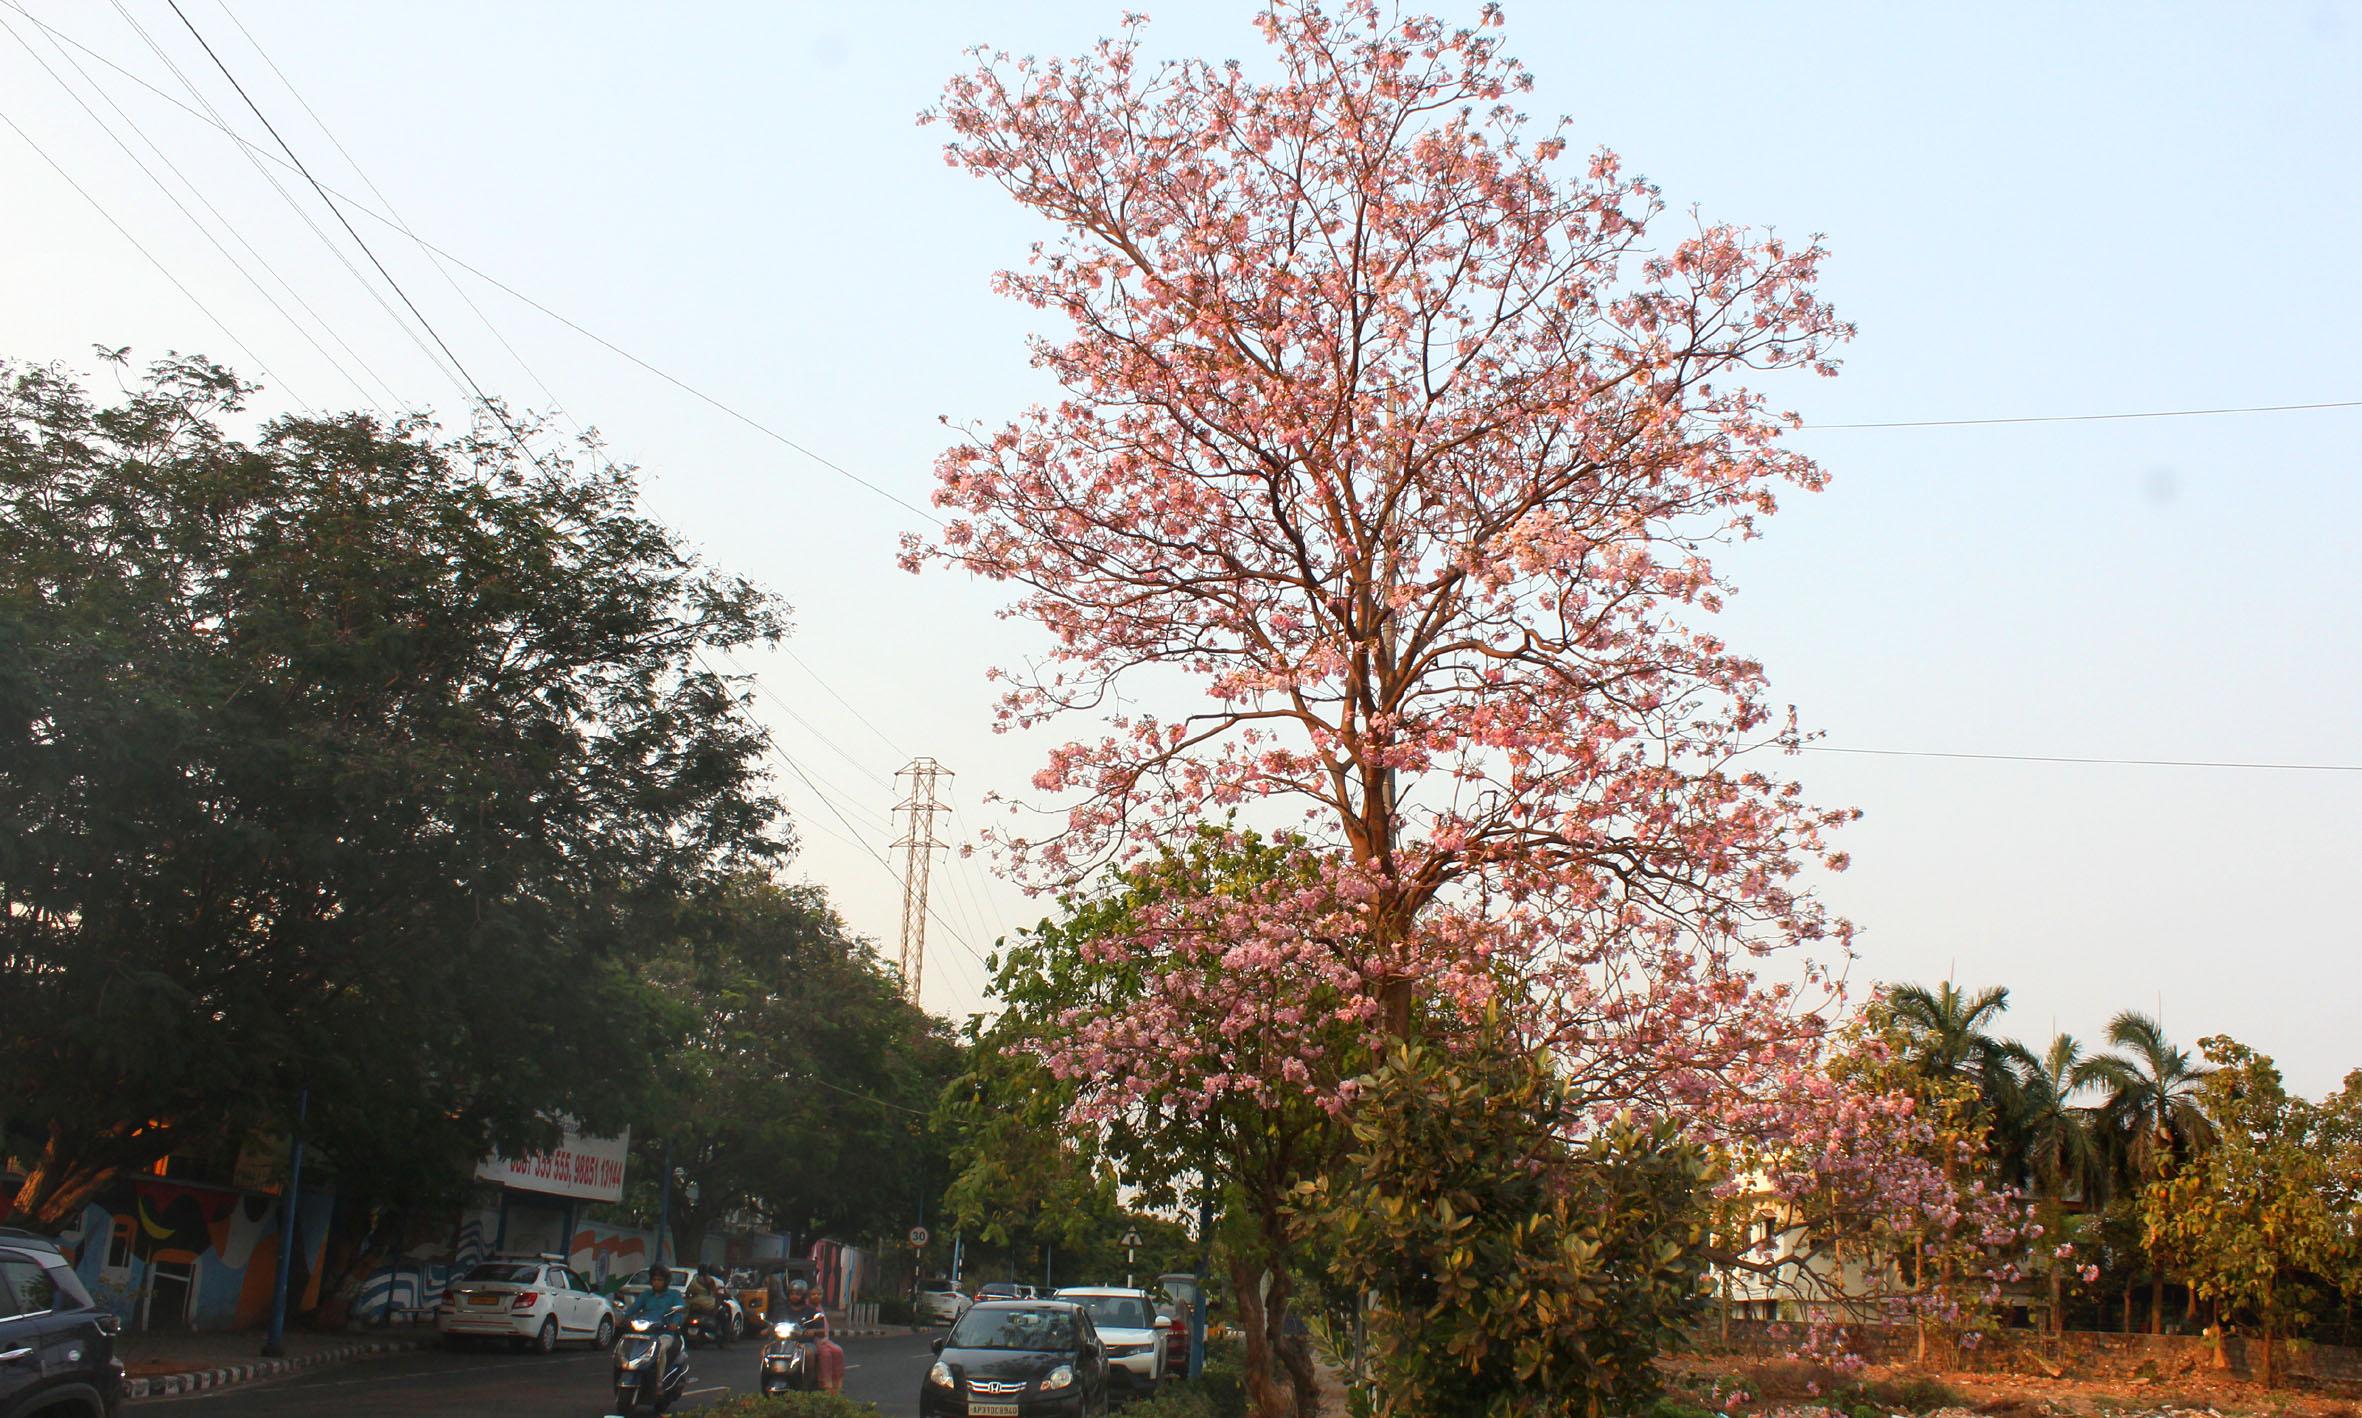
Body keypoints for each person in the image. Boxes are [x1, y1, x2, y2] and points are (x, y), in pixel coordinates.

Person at [779, 1278, 844, 1393]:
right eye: (792, 1293)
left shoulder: (810, 1310)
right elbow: (775, 1321)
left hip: (807, 1341)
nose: (795, 1296)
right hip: (786, 1341)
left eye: (798, 1294)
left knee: (836, 1351)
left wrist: (812, 1332)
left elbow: (821, 1329)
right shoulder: (783, 1309)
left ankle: (823, 1381)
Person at [621, 1265, 687, 1371]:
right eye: (654, 1279)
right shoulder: (646, 1295)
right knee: (624, 1348)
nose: (656, 1282)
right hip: (645, 1333)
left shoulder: (674, 1295)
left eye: (660, 1280)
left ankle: (658, 1381)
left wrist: (674, 1323)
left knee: (660, 1350)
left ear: (666, 1281)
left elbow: (678, 1312)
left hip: (664, 1333)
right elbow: (634, 1308)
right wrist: (624, 1317)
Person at [685, 1263, 727, 1345]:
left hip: (695, 1306)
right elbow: (718, 1295)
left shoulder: (694, 1281)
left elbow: (688, 1293)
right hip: (710, 1306)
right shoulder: (714, 1281)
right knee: (723, 1318)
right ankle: (723, 1339)